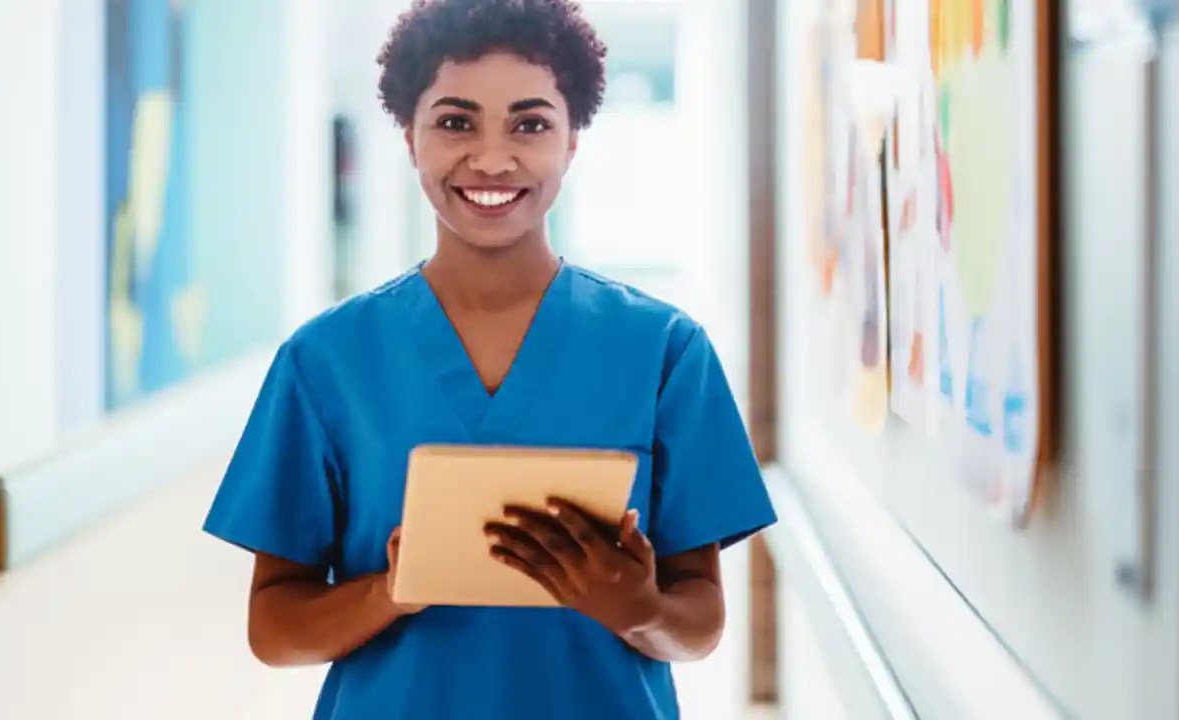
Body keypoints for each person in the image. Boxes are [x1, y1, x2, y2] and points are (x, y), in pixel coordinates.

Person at [202, 1, 776, 717]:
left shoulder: (664, 352)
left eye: (531, 124)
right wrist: (391, 591)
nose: (493, 158)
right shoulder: (325, 362)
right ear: (409, 137)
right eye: (454, 121)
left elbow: (700, 625)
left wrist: (633, 606)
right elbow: (275, 630)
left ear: (572, 141)